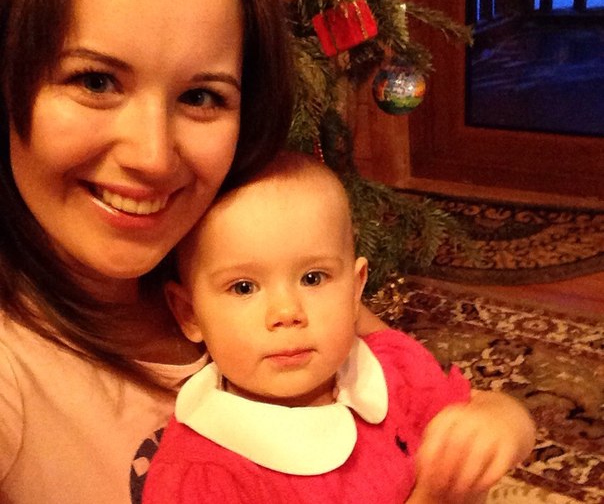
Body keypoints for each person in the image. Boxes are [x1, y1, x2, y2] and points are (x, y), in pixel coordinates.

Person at [0, 0, 312, 501]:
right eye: (95, 81)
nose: (154, 157)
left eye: (200, 96)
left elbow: (404, 381)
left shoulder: (247, 246)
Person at [143, 152, 537, 504]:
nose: (287, 312)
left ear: (354, 290)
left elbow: (483, 411)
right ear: (190, 314)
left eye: (313, 278)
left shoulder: (392, 368)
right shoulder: (201, 478)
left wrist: (501, 419)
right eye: (243, 287)